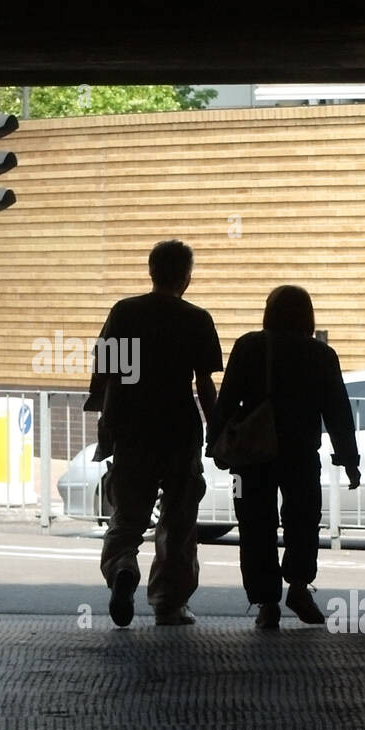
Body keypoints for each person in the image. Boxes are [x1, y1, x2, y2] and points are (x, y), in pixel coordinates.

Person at [84, 240, 222, 627]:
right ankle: (169, 603)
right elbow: (205, 385)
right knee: (179, 520)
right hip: (179, 427)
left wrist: (108, 427)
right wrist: (216, 431)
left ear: (151, 271)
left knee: (128, 515)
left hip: (133, 426)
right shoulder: (196, 319)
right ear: (186, 277)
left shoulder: (125, 313)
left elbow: (110, 377)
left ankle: (123, 566)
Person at [206, 286, 361, 629]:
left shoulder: (249, 346)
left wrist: (214, 442)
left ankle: (266, 604)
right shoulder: (321, 355)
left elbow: (227, 400)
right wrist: (349, 458)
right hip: (301, 454)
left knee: (254, 526)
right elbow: (337, 410)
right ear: (307, 316)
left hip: (251, 457)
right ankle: (299, 587)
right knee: (303, 521)